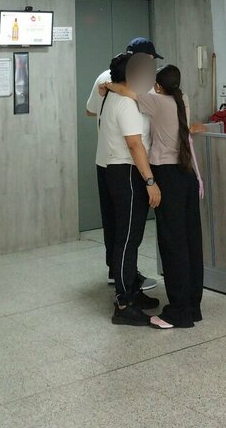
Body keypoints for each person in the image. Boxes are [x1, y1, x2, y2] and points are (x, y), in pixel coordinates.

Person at [107, 64, 203, 329]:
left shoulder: (157, 102)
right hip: (187, 175)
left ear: (158, 87)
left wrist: (107, 85)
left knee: (173, 246)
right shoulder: (181, 99)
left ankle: (178, 312)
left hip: (168, 176)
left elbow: (127, 92)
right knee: (191, 241)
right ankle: (193, 306)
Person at [86, 37, 161, 291]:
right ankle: (126, 286)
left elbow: (89, 110)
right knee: (129, 229)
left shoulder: (105, 79)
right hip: (127, 163)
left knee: (114, 222)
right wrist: (150, 179)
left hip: (104, 161)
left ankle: (116, 272)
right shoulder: (138, 86)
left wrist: (111, 89)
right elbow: (135, 141)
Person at [100, 51, 162, 325]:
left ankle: (132, 293)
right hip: (126, 171)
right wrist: (150, 181)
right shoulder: (124, 102)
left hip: (124, 170)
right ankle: (124, 303)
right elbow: (135, 144)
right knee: (127, 237)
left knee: (130, 235)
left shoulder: (119, 95)